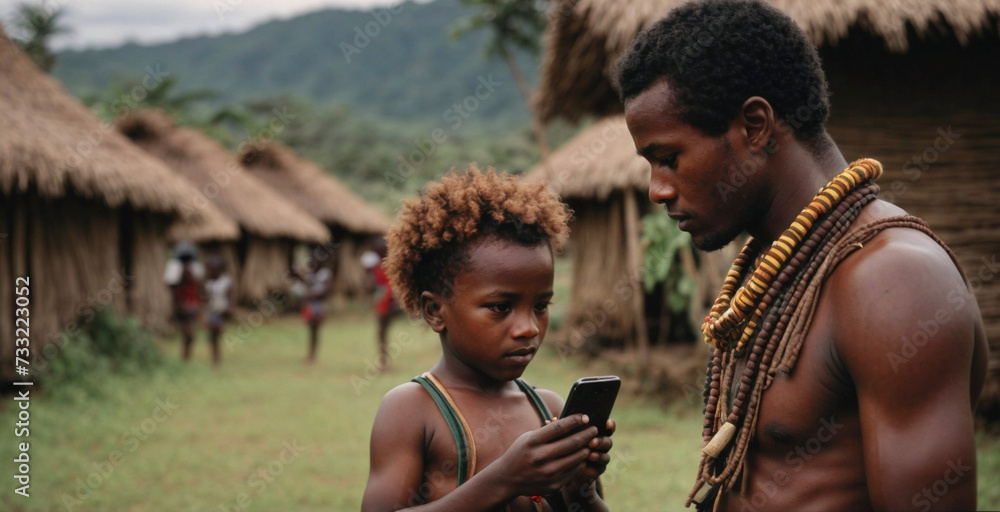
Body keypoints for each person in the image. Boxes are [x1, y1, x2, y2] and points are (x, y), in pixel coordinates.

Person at [614, 1, 989, 510]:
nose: (657, 190)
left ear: (754, 125)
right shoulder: (781, 266)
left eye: (669, 158)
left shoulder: (893, 280)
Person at [361, 166, 615, 512]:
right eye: (500, 307)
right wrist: (505, 480)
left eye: (541, 305)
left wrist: (579, 489)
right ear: (435, 311)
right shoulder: (412, 410)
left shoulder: (551, 411)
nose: (529, 328)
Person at [362, 236, 402, 371]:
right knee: (381, 332)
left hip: (388, 301)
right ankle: (383, 360)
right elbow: (371, 286)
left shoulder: (389, 265)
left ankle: (383, 361)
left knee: (382, 331)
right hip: (381, 301)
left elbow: (393, 285)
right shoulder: (376, 266)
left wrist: (394, 302)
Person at [164, 241, 204, 362]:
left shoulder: (196, 268)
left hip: (192, 302)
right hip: (181, 303)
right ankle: (185, 354)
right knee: (187, 330)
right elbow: (171, 286)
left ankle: (186, 354)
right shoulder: (174, 267)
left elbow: (199, 285)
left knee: (190, 331)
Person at [297, 255, 331, 364]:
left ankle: (313, 355)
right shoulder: (310, 274)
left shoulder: (325, 274)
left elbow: (325, 291)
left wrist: (310, 295)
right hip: (310, 305)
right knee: (311, 329)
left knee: (315, 330)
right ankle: (310, 355)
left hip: (318, 306)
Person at [203, 254, 233, 368]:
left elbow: (231, 295)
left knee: (217, 334)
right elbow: (204, 296)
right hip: (211, 311)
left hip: (222, 311)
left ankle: (217, 357)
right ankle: (215, 358)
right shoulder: (207, 281)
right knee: (213, 336)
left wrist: (229, 308)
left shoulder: (226, 281)